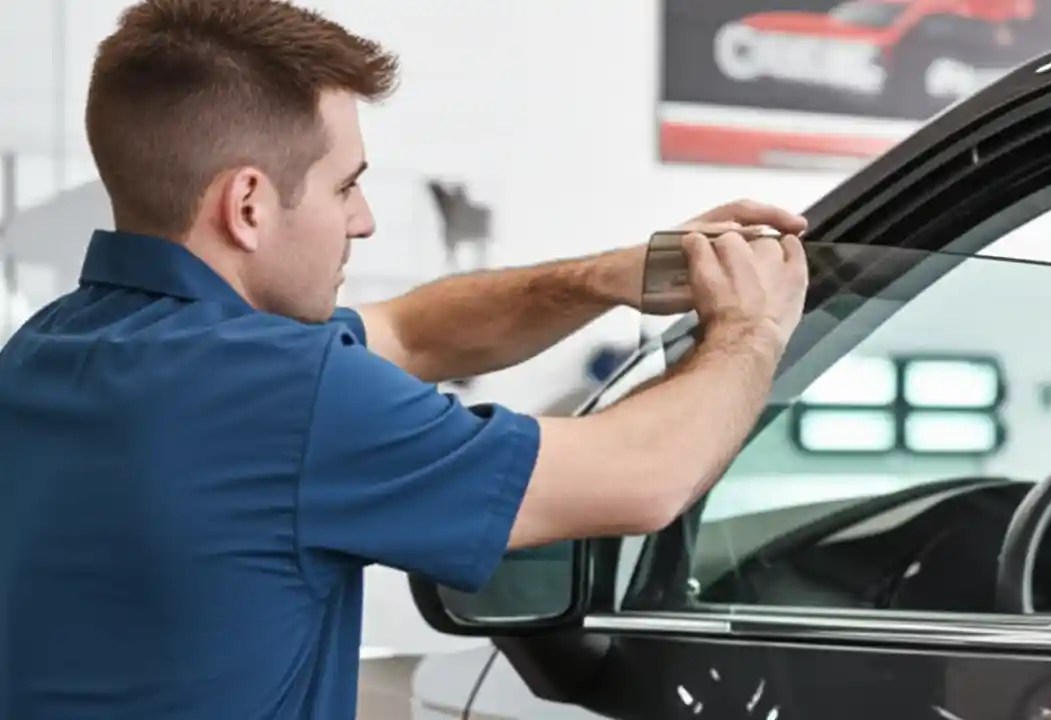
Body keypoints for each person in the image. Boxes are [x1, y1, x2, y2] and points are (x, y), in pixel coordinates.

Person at [0, 1, 810, 719]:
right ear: (247, 206)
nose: (365, 219)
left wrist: (601, 279)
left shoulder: (45, 352)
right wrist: (752, 327)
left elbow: (416, 335)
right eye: (345, 185)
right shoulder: (289, 392)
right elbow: (647, 475)